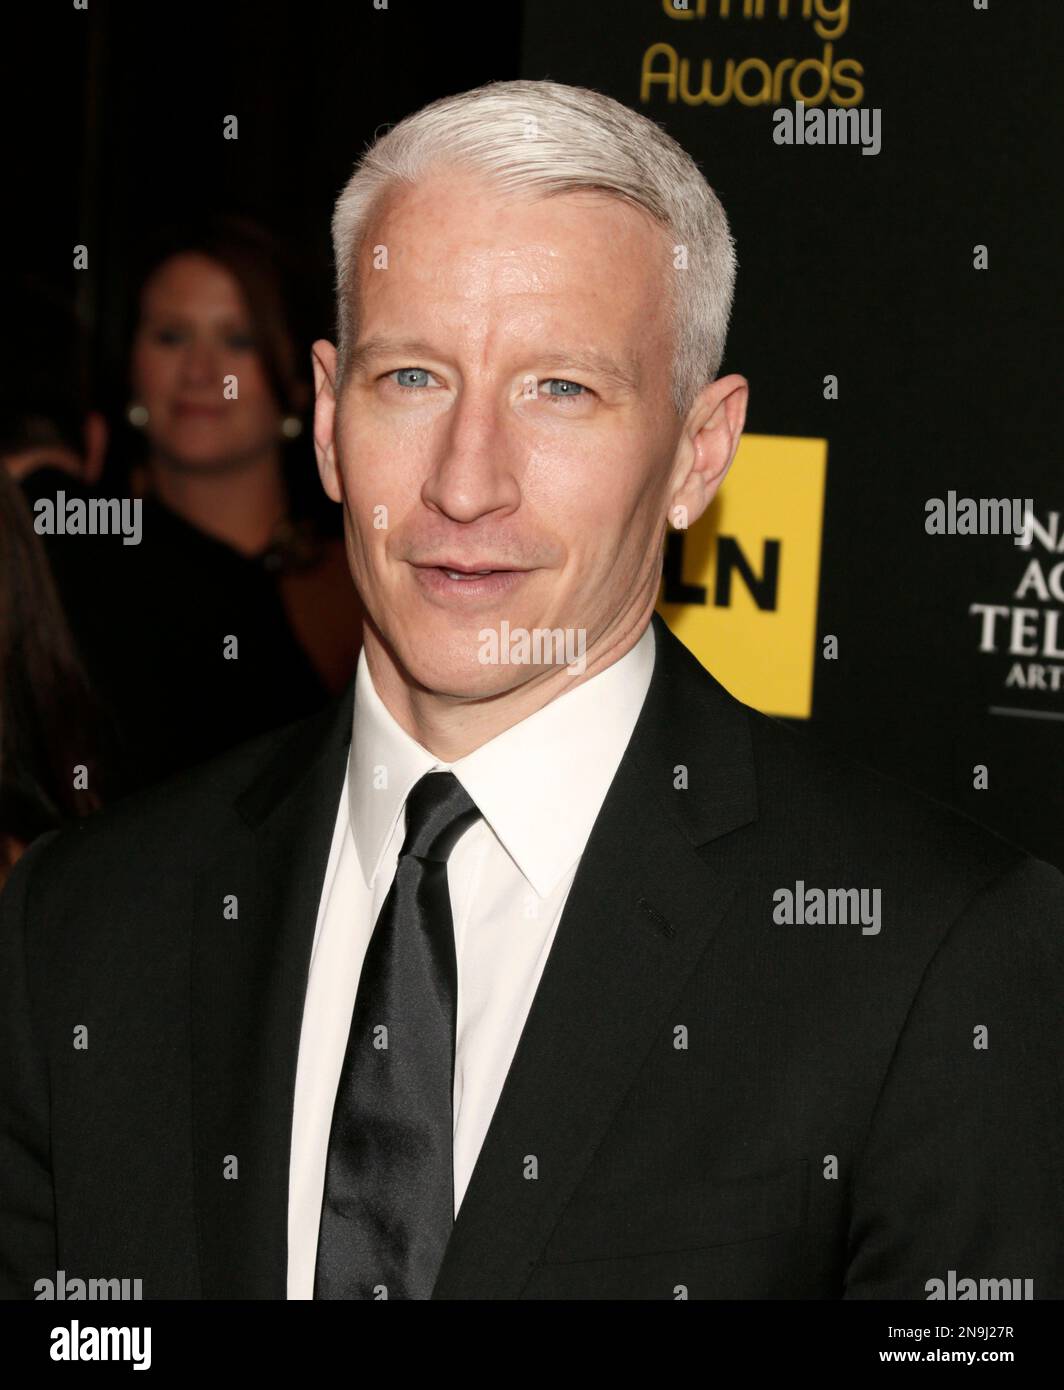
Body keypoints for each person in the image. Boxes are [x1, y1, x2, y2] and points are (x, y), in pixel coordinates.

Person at [1, 78, 1061, 1301]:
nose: (466, 483)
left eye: (558, 389)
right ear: (332, 418)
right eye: (413, 379)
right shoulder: (81, 930)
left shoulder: (929, 956)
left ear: (697, 453)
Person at [73, 216, 363, 792]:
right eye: (171, 337)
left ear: (306, 381)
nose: (201, 373)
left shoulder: (367, 583)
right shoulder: (73, 573)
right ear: (130, 367)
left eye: (237, 340)